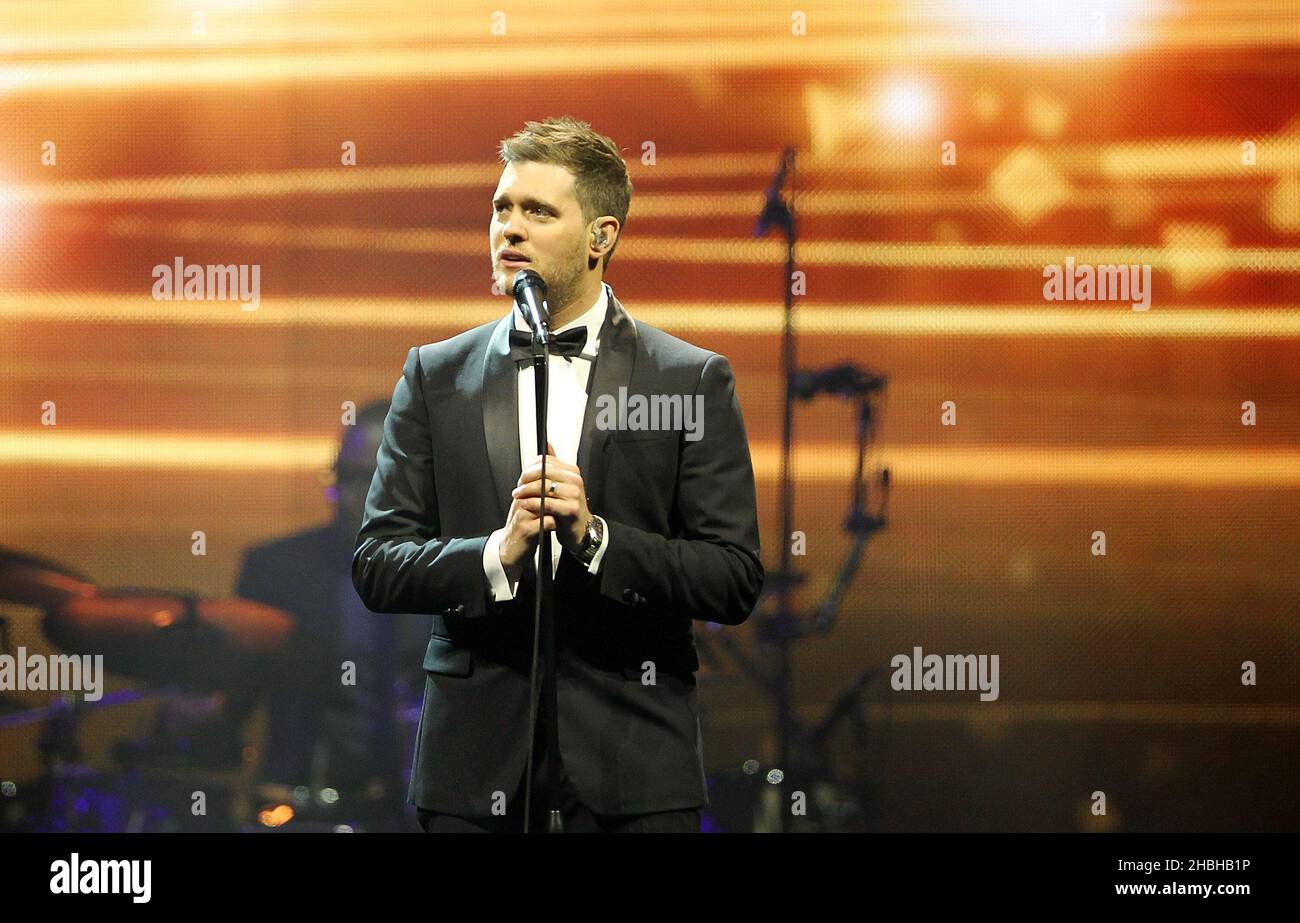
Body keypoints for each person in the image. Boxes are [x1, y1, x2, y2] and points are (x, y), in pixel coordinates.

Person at [352, 116, 763, 833]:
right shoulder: (435, 375)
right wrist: (494, 553)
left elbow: (731, 576)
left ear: (602, 236)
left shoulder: (687, 379)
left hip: (634, 770)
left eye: (537, 211)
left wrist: (597, 536)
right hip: (474, 768)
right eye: (501, 208)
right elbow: (378, 564)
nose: (509, 228)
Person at [235, 400, 431, 831]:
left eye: (367, 480)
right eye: (343, 477)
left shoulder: (457, 571)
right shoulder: (278, 570)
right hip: (302, 810)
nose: (346, 496)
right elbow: (232, 699)